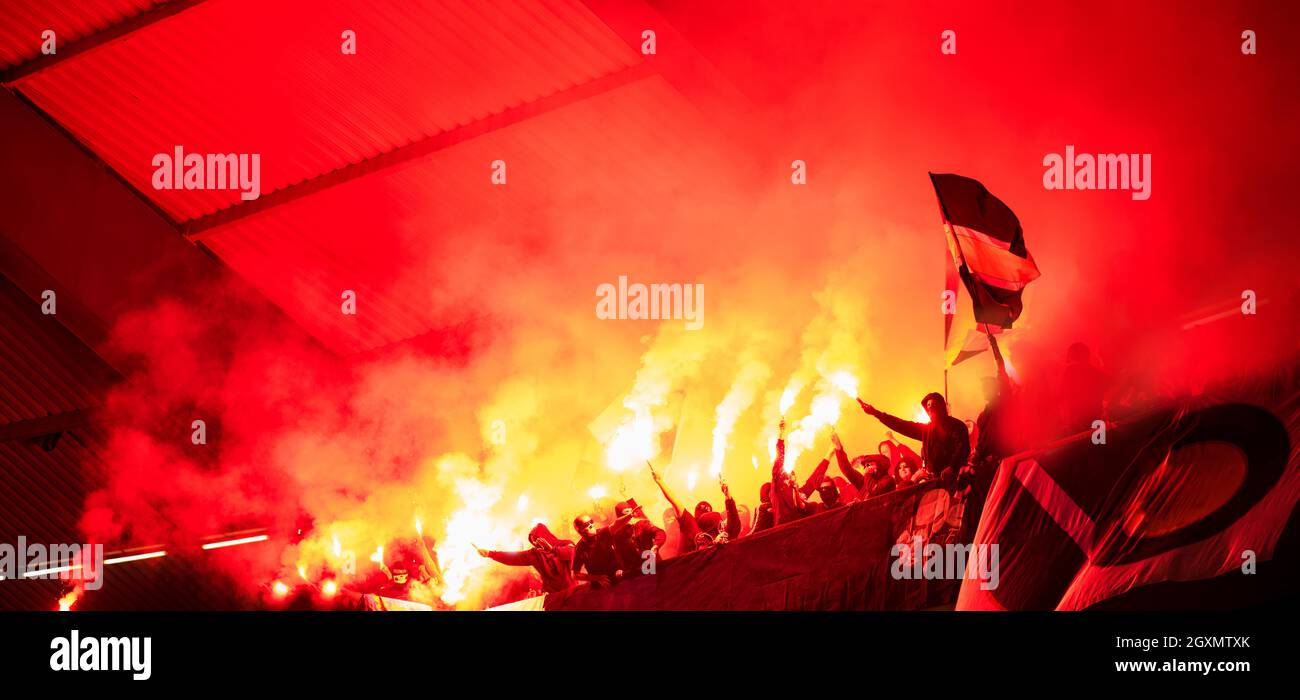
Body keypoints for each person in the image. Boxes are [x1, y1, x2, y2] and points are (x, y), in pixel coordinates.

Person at [857, 392, 970, 479]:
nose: (930, 407)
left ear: (941, 406)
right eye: (928, 405)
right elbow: (901, 425)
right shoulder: (926, 430)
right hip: (935, 479)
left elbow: (962, 449)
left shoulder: (956, 426)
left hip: (956, 476)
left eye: (933, 404)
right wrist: (876, 413)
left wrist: (952, 467)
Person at [476, 523, 576, 594]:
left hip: (572, 591)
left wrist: (552, 549)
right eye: (533, 542)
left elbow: (572, 553)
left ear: (545, 536)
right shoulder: (535, 554)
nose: (536, 544)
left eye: (537, 540)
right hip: (552, 595)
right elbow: (513, 558)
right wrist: (490, 554)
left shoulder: (564, 544)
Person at [1059, 342, 1110, 435]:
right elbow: (1110, 385)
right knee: (1099, 445)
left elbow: (1062, 394)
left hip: (1077, 421)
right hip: (1096, 418)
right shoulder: (1097, 372)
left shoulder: (1070, 370)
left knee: (1079, 446)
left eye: (1070, 355)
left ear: (1073, 355)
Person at [610, 499, 666, 575]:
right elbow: (618, 554)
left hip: (652, 565)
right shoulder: (617, 534)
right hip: (634, 570)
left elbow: (660, 532)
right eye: (627, 511)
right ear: (620, 515)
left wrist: (656, 546)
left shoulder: (642, 523)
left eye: (631, 510)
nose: (631, 514)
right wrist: (619, 569)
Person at [571, 514, 626, 587]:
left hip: (618, 575)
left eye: (591, 521)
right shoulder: (579, 549)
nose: (591, 525)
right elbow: (575, 575)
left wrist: (630, 515)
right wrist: (597, 578)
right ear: (579, 531)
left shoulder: (602, 533)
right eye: (586, 524)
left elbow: (616, 524)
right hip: (600, 585)